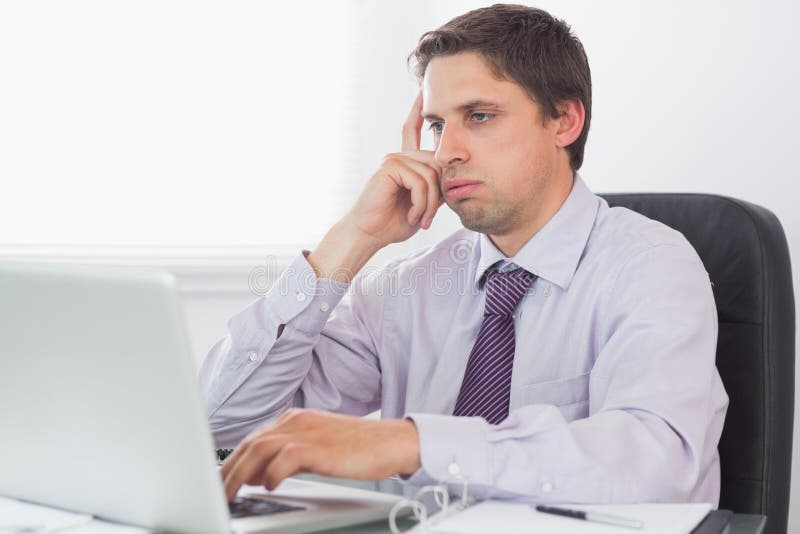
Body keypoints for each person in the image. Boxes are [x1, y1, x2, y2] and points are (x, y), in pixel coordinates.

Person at [199, 4, 728, 505]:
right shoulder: (405, 289)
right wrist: (354, 237)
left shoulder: (652, 266)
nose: (446, 151)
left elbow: (657, 466)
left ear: (565, 121)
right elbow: (226, 424)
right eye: (436, 124)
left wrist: (412, 444)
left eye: (478, 115)